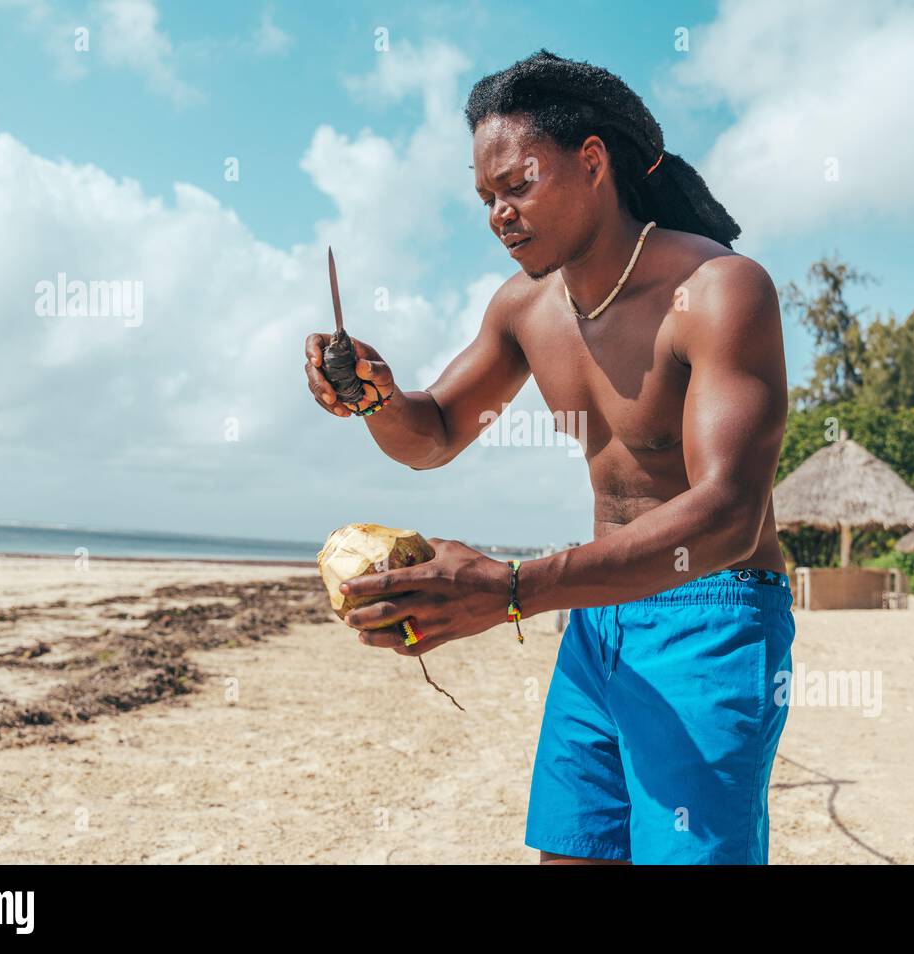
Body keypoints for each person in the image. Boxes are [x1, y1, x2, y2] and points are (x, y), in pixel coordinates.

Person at [304, 49, 793, 865]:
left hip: (712, 610)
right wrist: (375, 397)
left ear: (592, 161)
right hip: (593, 613)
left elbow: (729, 516)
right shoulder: (526, 307)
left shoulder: (717, 290)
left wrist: (513, 589)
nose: (500, 213)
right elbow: (433, 436)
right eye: (487, 198)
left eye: (518, 185)